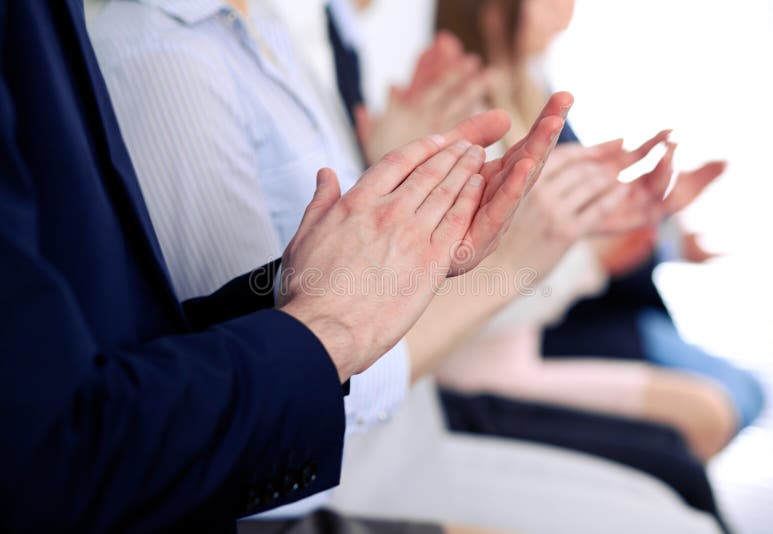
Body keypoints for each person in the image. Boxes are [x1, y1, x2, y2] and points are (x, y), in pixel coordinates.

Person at [0, 0, 555, 531]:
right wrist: (502, 276)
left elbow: (157, 340)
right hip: (323, 487)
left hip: (399, 449)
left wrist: (386, 234)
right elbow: (63, 447)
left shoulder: (267, 29)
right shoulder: (162, 56)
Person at [436, 0, 765, 444]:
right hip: (509, 351)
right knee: (721, 408)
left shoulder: (531, 98)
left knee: (742, 398)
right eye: (550, 2)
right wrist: (602, 256)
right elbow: (493, 281)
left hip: (532, 335)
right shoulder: (473, 120)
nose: (566, 15)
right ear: (492, 10)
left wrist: (655, 227)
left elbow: (574, 239)